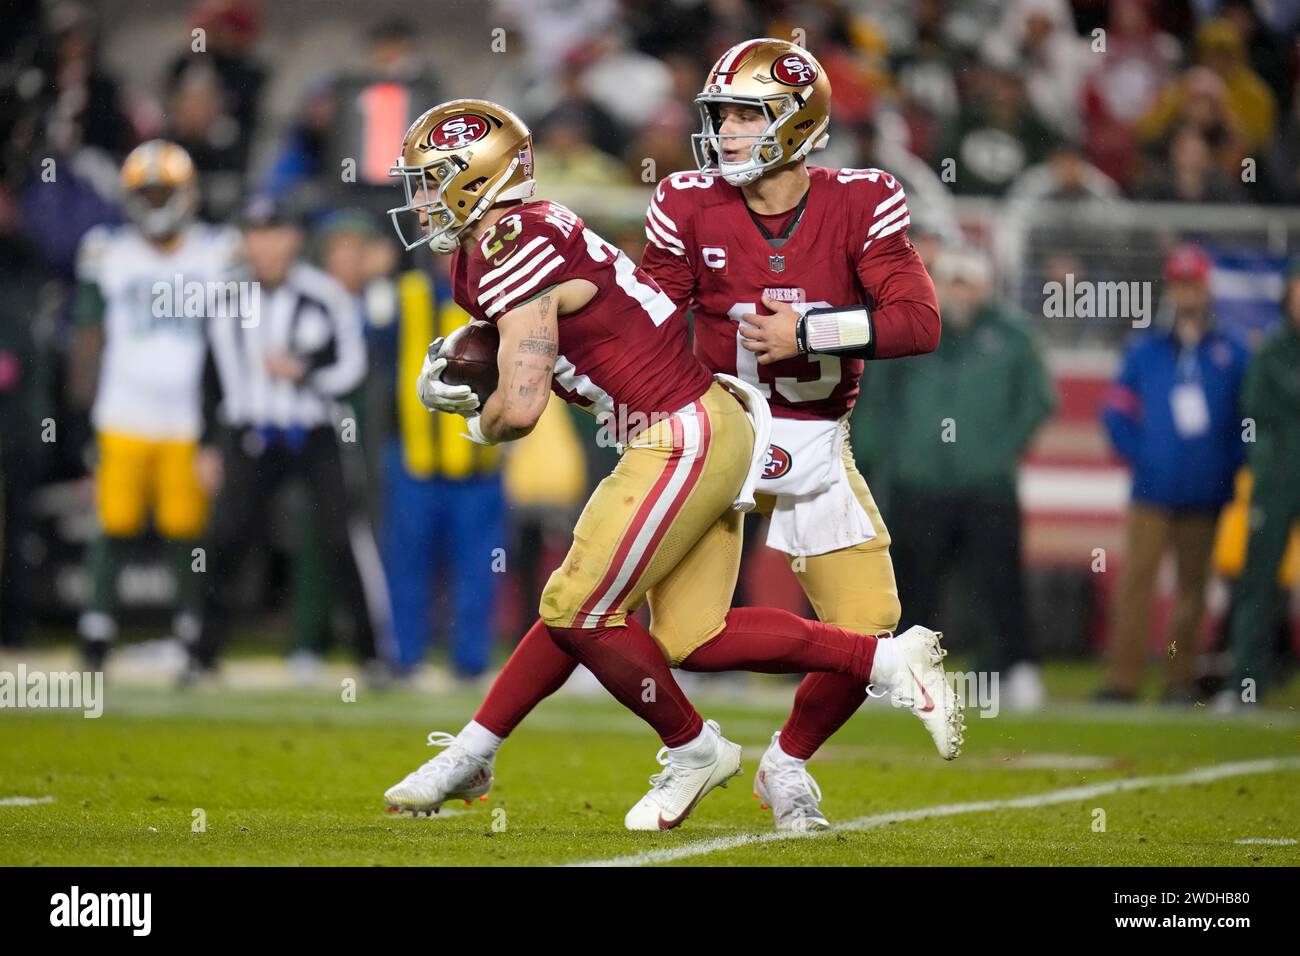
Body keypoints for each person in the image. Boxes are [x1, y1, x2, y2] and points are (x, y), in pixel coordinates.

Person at [382, 95, 963, 831]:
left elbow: (522, 410)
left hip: (688, 432)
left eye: (433, 180)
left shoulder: (509, 246)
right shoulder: (502, 241)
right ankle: (475, 750)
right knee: (668, 630)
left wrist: (480, 416)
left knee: (576, 604)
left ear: (477, 176)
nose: (421, 198)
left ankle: (705, 744)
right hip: (681, 426)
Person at [189, 196, 392, 683]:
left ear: (294, 239)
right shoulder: (225, 297)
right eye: (255, 234)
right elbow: (210, 374)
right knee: (229, 540)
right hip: (249, 434)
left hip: (313, 431)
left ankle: (372, 655)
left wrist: (303, 372)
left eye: (273, 232)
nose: (263, 245)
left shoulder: (324, 295)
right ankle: (201, 656)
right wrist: (206, 443)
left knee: (340, 539)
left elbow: (351, 370)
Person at [71, 140, 239, 668]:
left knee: (184, 528)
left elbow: (232, 340)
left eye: (163, 191)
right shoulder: (108, 250)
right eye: (145, 192)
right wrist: (79, 421)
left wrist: (220, 428)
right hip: (122, 411)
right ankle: (96, 627)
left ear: (187, 195)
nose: (153, 202)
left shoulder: (217, 249)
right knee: (113, 523)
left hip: (189, 417)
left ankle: (190, 629)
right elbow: (89, 338)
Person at [867, 246, 1057, 710]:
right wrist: (899, 454)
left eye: (969, 281)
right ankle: (902, 675)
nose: (960, 291)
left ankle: (1012, 672)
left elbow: (1038, 401)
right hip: (920, 482)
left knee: (998, 583)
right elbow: (877, 400)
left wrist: (998, 451)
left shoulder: (1012, 335)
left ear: (987, 285)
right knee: (912, 585)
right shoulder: (915, 330)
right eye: (952, 281)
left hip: (986, 484)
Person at [1097, 243, 1250, 703]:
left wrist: (1227, 468)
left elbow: (1249, 421)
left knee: (1192, 591)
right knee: (1135, 585)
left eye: (1194, 285)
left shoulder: (1234, 352)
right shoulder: (1145, 351)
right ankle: (1123, 681)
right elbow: (1116, 412)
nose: (1187, 294)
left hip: (1207, 491)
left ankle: (1179, 681)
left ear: (1207, 288)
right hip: (1151, 489)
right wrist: (1143, 456)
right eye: (1179, 285)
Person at [1219, 258, 1300, 707]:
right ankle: (1244, 683)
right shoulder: (1270, 352)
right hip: (1278, 478)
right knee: (1259, 582)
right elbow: (1254, 413)